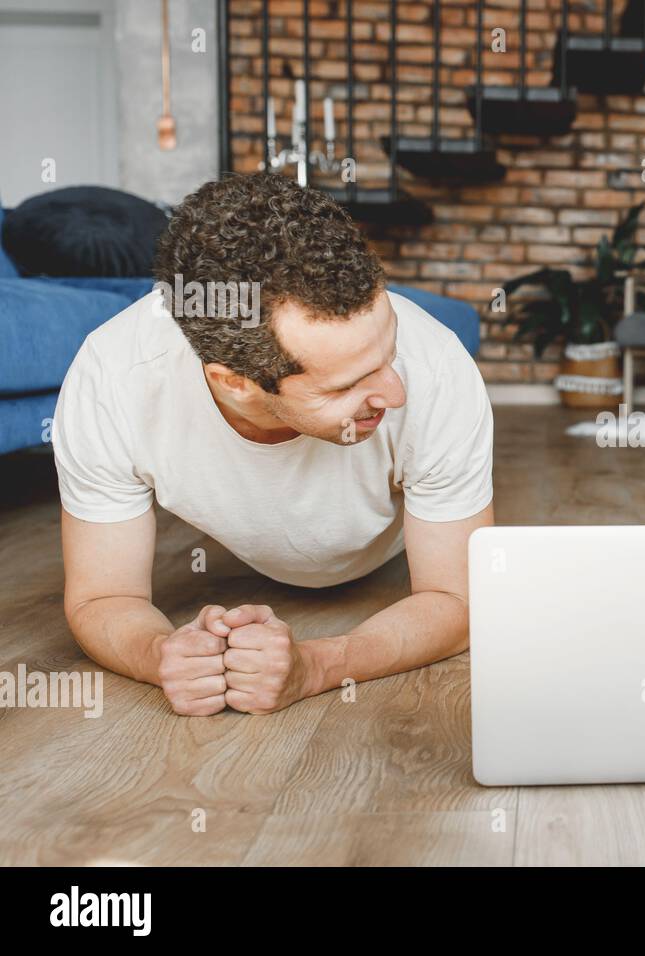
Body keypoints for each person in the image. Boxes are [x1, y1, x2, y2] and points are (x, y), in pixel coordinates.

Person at [54, 173, 494, 716]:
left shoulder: (439, 367)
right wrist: (162, 655)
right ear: (232, 382)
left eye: (390, 351)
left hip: (385, 549)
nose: (396, 393)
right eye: (344, 384)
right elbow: (103, 596)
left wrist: (318, 667)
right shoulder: (113, 378)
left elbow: (458, 601)